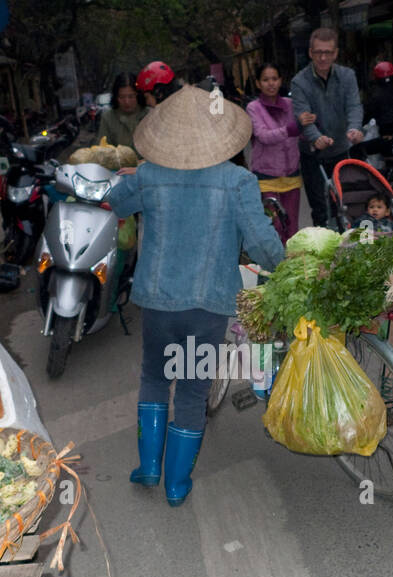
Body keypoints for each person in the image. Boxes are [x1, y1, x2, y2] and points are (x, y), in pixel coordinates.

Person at [106, 86, 284, 507]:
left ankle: (149, 466)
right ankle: (175, 484)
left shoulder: (149, 174)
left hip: (157, 302)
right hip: (207, 308)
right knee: (190, 389)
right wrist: (283, 265)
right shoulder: (238, 181)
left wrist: (133, 180)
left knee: (153, 377)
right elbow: (261, 243)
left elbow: (115, 204)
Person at [291, 28, 364, 227]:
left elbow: (354, 106)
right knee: (321, 209)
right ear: (310, 53)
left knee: (347, 205)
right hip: (313, 156)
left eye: (328, 52)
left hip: (342, 150)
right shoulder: (299, 82)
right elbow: (303, 117)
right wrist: (316, 138)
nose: (323, 57)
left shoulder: (347, 76)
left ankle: (349, 248)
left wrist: (355, 128)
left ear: (336, 53)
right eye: (318, 52)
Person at [246, 63, 301, 244]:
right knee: (274, 227)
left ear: (280, 81)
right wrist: (290, 129)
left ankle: (293, 268)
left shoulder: (291, 104)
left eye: (274, 79)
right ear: (258, 83)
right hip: (266, 178)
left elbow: (303, 132)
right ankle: (276, 268)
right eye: (265, 80)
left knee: (292, 229)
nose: (271, 84)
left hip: (291, 175)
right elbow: (263, 136)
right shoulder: (253, 108)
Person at [97, 73, 147, 149]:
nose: (126, 101)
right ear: (116, 97)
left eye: (131, 96)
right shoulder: (108, 117)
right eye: (122, 97)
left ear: (138, 95)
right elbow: (103, 149)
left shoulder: (149, 115)